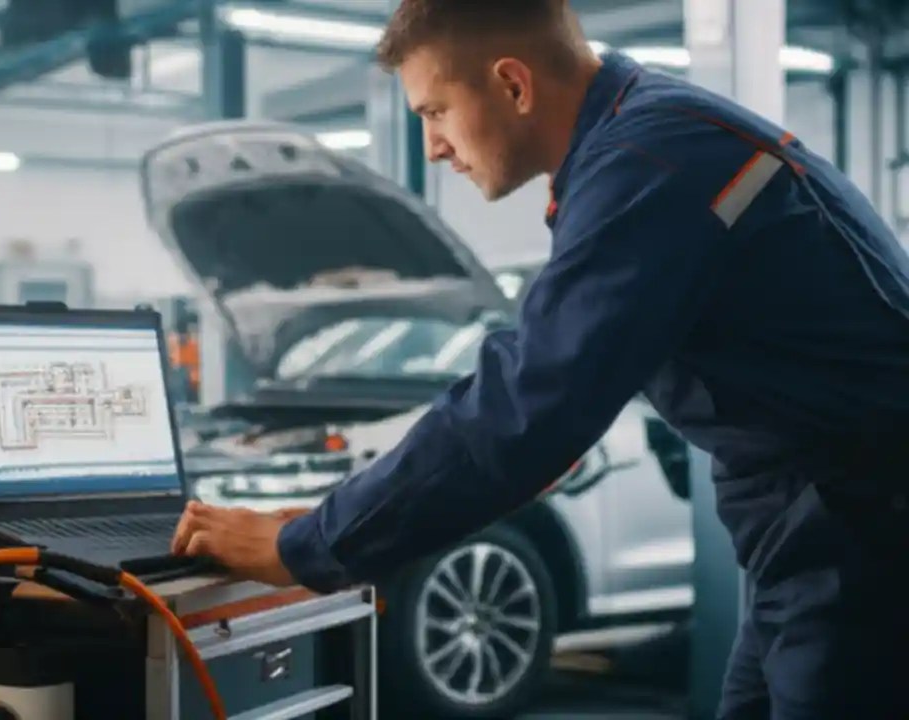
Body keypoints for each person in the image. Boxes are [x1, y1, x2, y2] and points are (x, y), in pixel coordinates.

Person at [170, 1, 909, 717]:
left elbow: (526, 408)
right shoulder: (639, 142)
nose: (431, 145)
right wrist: (345, 520)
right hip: (815, 537)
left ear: (513, 84)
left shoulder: (646, 165)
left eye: (434, 112)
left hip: (864, 538)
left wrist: (311, 544)